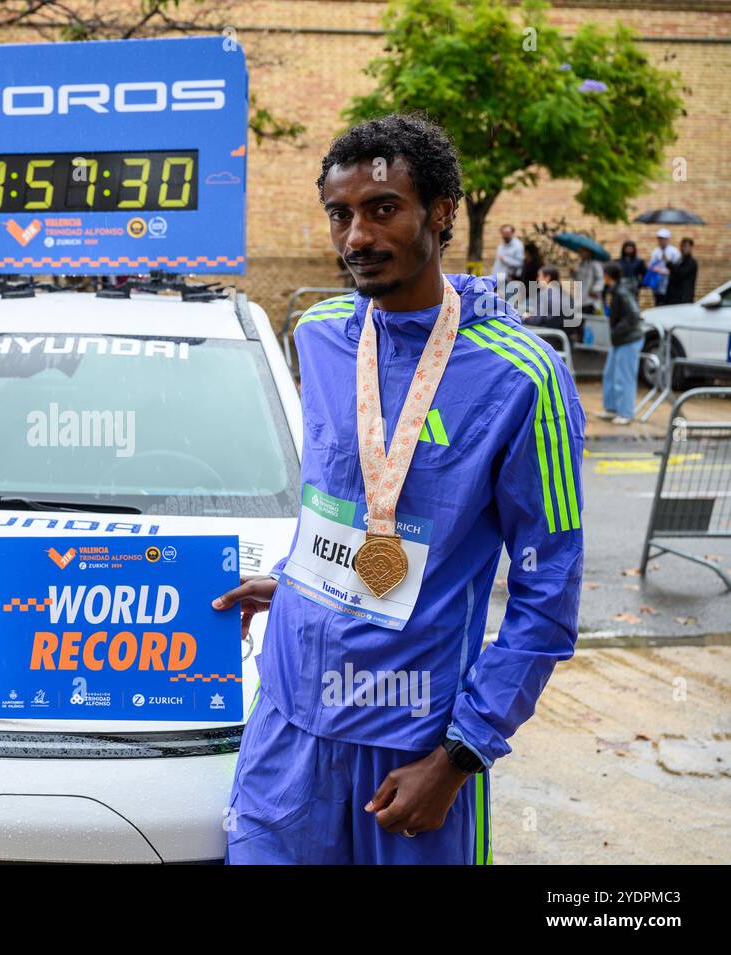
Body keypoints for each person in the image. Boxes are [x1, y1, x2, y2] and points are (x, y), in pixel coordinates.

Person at [215, 114, 584, 865]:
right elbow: (345, 496)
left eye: (383, 208)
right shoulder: (319, 336)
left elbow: (547, 598)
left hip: (411, 745)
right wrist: (298, 584)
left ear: (442, 211)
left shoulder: (522, 376)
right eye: (340, 214)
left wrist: (460, 755)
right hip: (287, 729)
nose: (356, 235)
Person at [598, 262, 645, 425]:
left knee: (624, 377)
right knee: (610, 374)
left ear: (607, 275)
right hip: (619, 339)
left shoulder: (623, 291)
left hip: (629, 339)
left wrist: (617, 330)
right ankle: (611, 408)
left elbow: (634, 314)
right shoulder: (614, 290)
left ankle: (626, 413)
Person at [570, 246, 604, 342]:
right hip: (581, 297)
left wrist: (595, 290)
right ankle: (580, 340)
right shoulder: (582, 264)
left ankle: (587, 342)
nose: (581, 254)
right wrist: (573, 274)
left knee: (586, 321)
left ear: (589, 252)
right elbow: (579, 279)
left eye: (583, 252)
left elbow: (600, 279)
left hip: (590, 299)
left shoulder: (595, 264)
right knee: (578, 321)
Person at [524, 265, 567, 329]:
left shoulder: (544, 294)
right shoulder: (563, 294)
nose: (537, 279)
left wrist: (525, 318)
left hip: (544, 333)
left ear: (547, 278)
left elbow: (536, 321)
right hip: (559, 335)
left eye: (539, 276)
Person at [646, 228, 681, 306]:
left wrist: (663, 271)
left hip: (670, 285)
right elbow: (652, 265)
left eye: (663, 239)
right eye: (659, 239)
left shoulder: (674, 252)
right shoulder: (656, 251)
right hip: (657, 285)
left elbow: (676, 269)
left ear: (667, 239)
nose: (660, 241)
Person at [490, 223, 524, 299]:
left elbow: (520, 263)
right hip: (498, 279)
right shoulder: (501, 246)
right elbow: (497, 264)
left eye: (508, 233)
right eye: (504, 233)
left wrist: (506, 259)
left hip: (509, 280)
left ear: (512, 233)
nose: (506, 235)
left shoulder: (518, 245)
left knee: (509, 302)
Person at [666, 238, 699, 305]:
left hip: (683, 299)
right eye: (682, 246)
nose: (683, 248)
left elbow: (681, 273)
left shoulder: (691, 262)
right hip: (674, 298)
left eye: (686, 246)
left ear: (690, 248)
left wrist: (669, 264)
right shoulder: (679, 260)